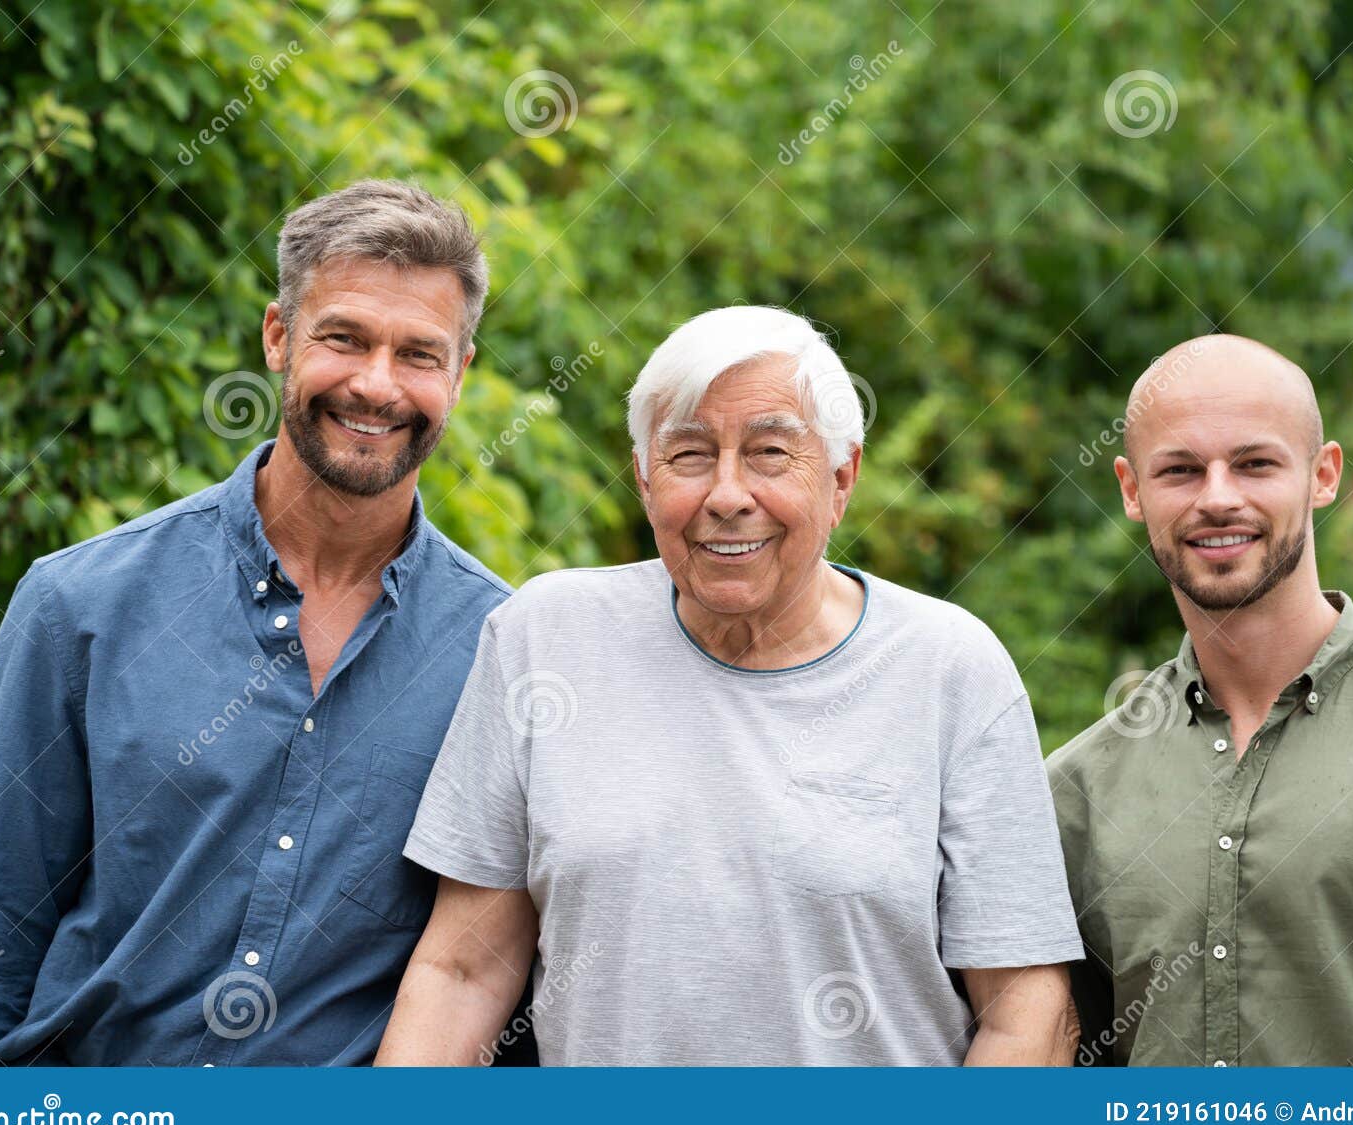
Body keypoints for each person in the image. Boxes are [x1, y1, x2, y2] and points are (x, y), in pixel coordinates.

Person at [0, 180, 513, 1066]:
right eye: (343, 338)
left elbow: (486, 978)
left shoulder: (498, 649)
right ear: (277, 337)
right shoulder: (80, 607)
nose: (376, 384)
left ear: (460, 373)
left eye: (419, 353)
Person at [375, 305, 1082, 1066]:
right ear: (646, 481)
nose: (727, 493)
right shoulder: (543, 637)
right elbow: (463, 969)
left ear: (842, 478)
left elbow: (1026, 1009)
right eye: (690, 455)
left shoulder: (952, 667)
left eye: (771, 452)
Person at [1050, 334, 1353, 1066]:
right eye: (1181, 470)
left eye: (1255, 463)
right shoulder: (1075, 790)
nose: (1218, 497)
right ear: (1132, 490)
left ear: (1324, 475)